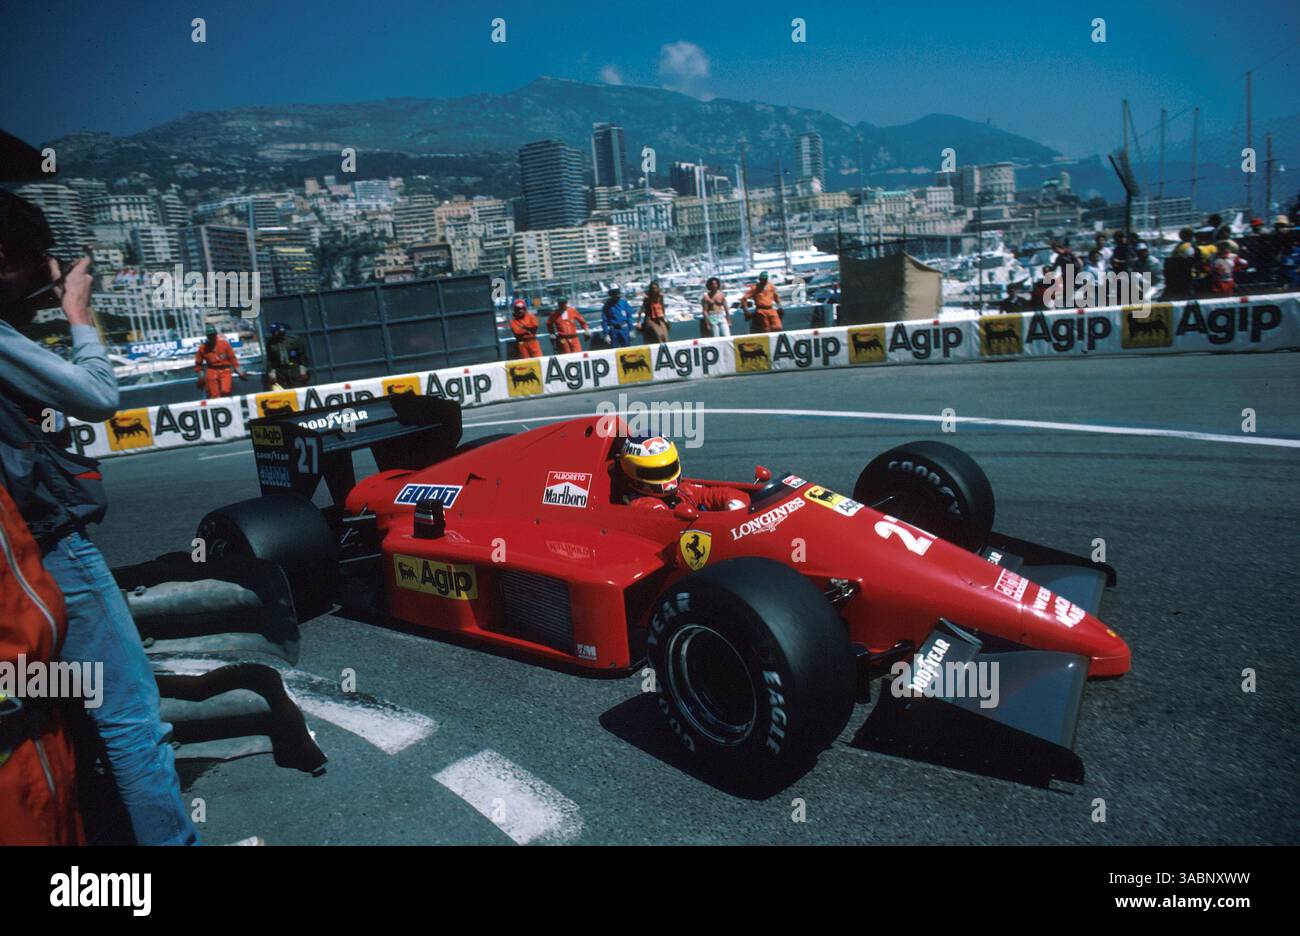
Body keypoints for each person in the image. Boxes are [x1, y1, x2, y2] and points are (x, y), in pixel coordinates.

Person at [0, 190, 198, 845]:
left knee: (46, 710)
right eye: (33, 261)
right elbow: (96, 397)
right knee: (132, 718)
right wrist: (78, 313)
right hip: (46, 548)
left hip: (16, 560)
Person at [616, 435, 749, 512]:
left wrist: (735, 504)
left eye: (669, 468)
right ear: (635, 475)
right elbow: (667, 521)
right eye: (657, 472)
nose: (667, 476)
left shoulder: (682, 490)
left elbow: (723, 494)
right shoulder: (644, 506)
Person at [194, 323, 247, 399]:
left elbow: (232, 358)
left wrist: (238, 369)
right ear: (207, 337)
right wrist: (200, 374)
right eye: (209, 336)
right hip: (211, 370)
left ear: (216, 335)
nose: (211, 337)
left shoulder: (224, 344)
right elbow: (198, 363)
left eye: (213, 335)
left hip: (225, 369)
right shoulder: (203, 348)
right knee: (214, 395)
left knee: (225, 391)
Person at [262, 321, 310, 390]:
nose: (275, 334)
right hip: (281, 372)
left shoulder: (294, 340)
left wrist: (303, 370)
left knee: (299, 389)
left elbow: (302, 356)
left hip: (294, 370)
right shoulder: (270, 343)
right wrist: (271, 372)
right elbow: (270, 359)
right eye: (273, 332)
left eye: (276, 331)